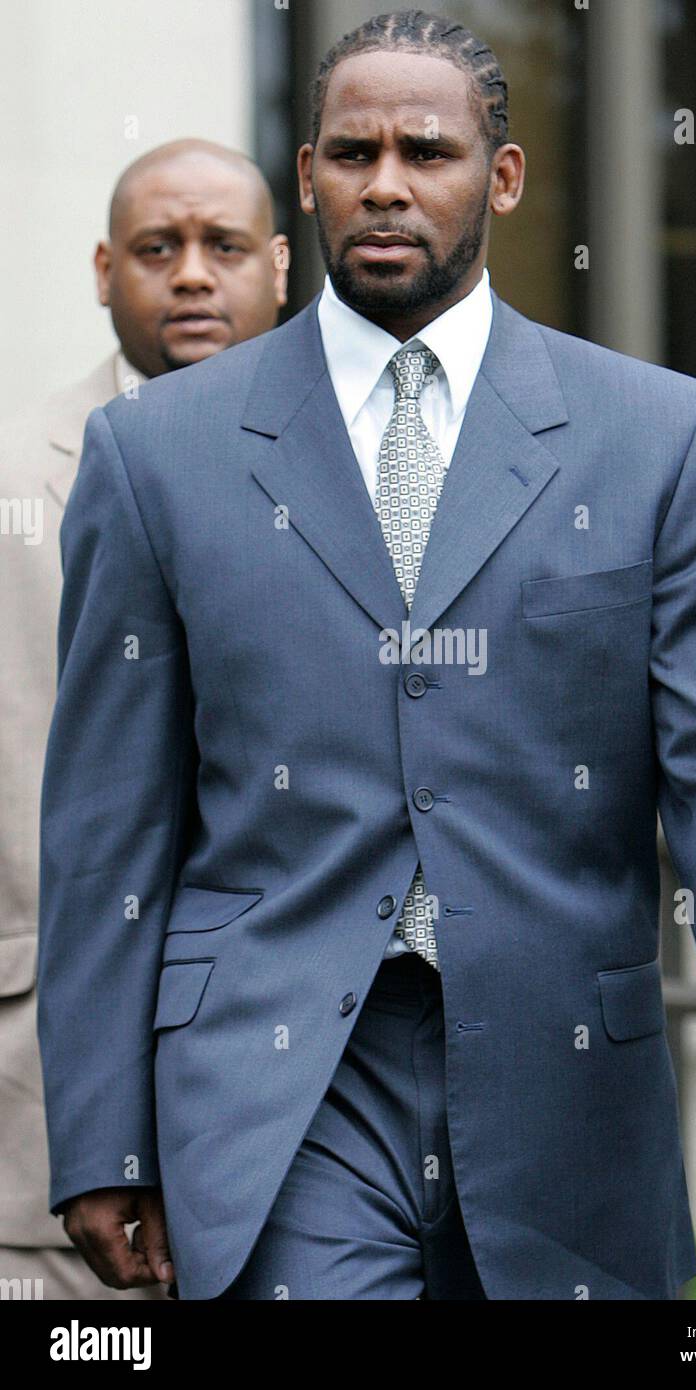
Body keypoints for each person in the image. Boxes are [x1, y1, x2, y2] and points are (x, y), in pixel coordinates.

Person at [37, 12, 696, 1301]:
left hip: (567, 1082)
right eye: (352, 152)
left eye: (428, 149)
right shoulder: (157, 456)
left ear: (504, 178)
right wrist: (99, 1133)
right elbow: (104, 826)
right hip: (281, 1088)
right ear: (306, 177)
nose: (388, 183)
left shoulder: (662, 441)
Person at [0, 137, 288, 1300]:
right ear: (103, 266)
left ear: (279, 265)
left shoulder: (369, 468)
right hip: (38, 1086)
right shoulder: (14, 480)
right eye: (158, 249)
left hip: (295, 1082)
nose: (191, 276)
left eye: (223, 247)